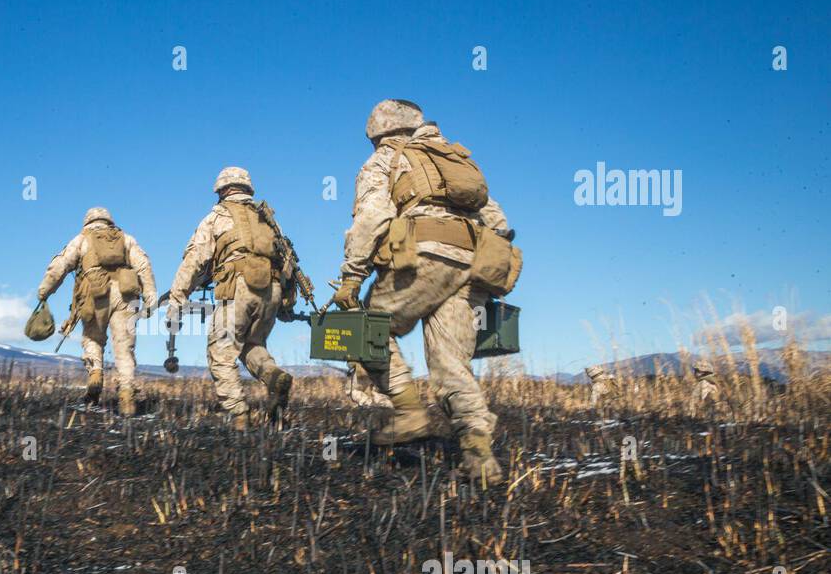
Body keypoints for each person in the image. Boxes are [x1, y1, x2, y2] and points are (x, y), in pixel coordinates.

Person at [330, 99, 515, 484]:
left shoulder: (385, 160)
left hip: (423, 255)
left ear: (378, 132)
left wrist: (352, 277)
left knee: (364, 328)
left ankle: (408, 409)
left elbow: (372, 218)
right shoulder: (452, 159)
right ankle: (478, 451)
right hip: (472, 263)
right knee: (451, 362)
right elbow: (498, 222)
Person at [167, 167, 299, 430]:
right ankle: (274, 377)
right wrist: (286, 301)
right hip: (271, 290)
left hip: (238, 289)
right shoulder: (269, 219)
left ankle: (240, 414)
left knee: (221, 352)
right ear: (248, 189)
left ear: (222, 190)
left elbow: (194, 260)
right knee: (253, 345)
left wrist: (177, 298)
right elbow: (287, 259)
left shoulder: (217, 216)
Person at [37, 207, 156, 414]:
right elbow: (143, 264)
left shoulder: (82, 239)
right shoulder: (125, 238)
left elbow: (60, 265)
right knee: (124, 346)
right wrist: (150, 296)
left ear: (87, 222)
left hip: (95, 294)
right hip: (126, 295)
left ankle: (95, 377)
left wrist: (45, 291)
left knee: (92, 338)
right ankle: (126, 396)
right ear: (109, 221)